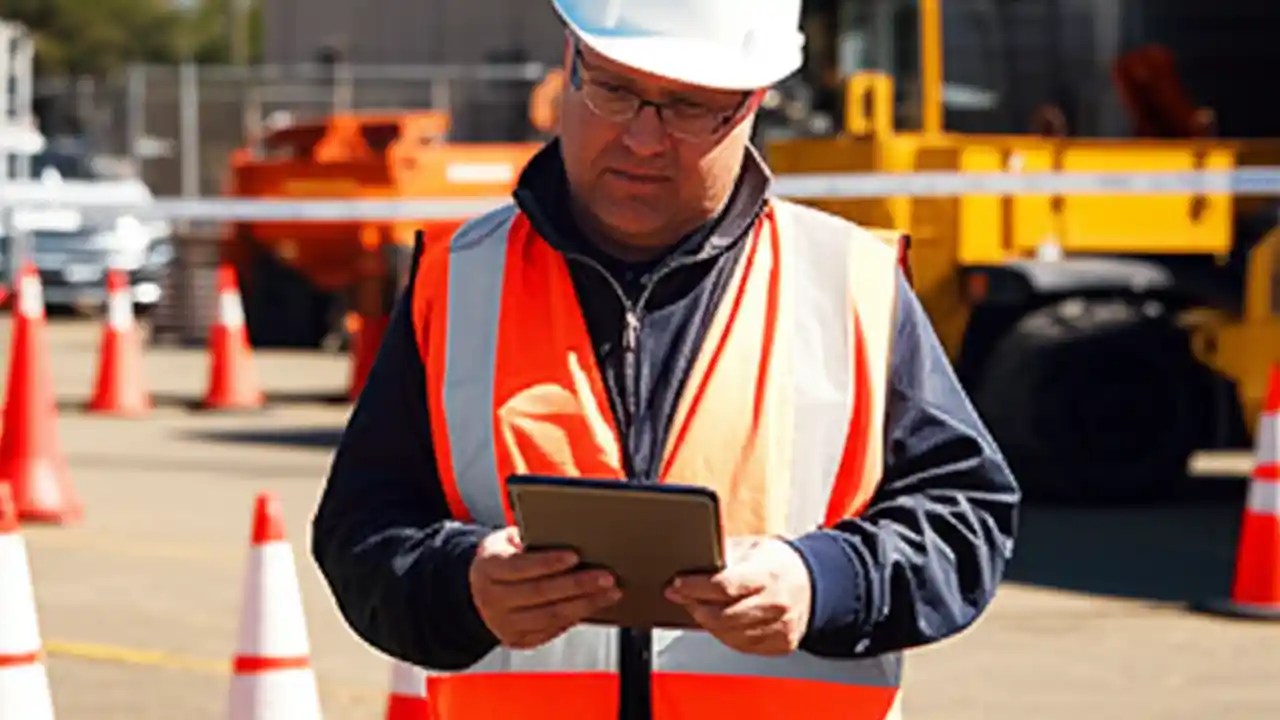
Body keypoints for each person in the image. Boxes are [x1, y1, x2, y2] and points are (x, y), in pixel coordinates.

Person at [311, 0, 1020, 718]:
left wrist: (825, 582)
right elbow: (360, 531)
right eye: (615, 90)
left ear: (754, 102)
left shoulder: (848, 284)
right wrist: (458, 584)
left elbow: (966, 520)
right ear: (570, 61)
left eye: (690, 106)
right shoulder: (460, 280)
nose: (643, 139)